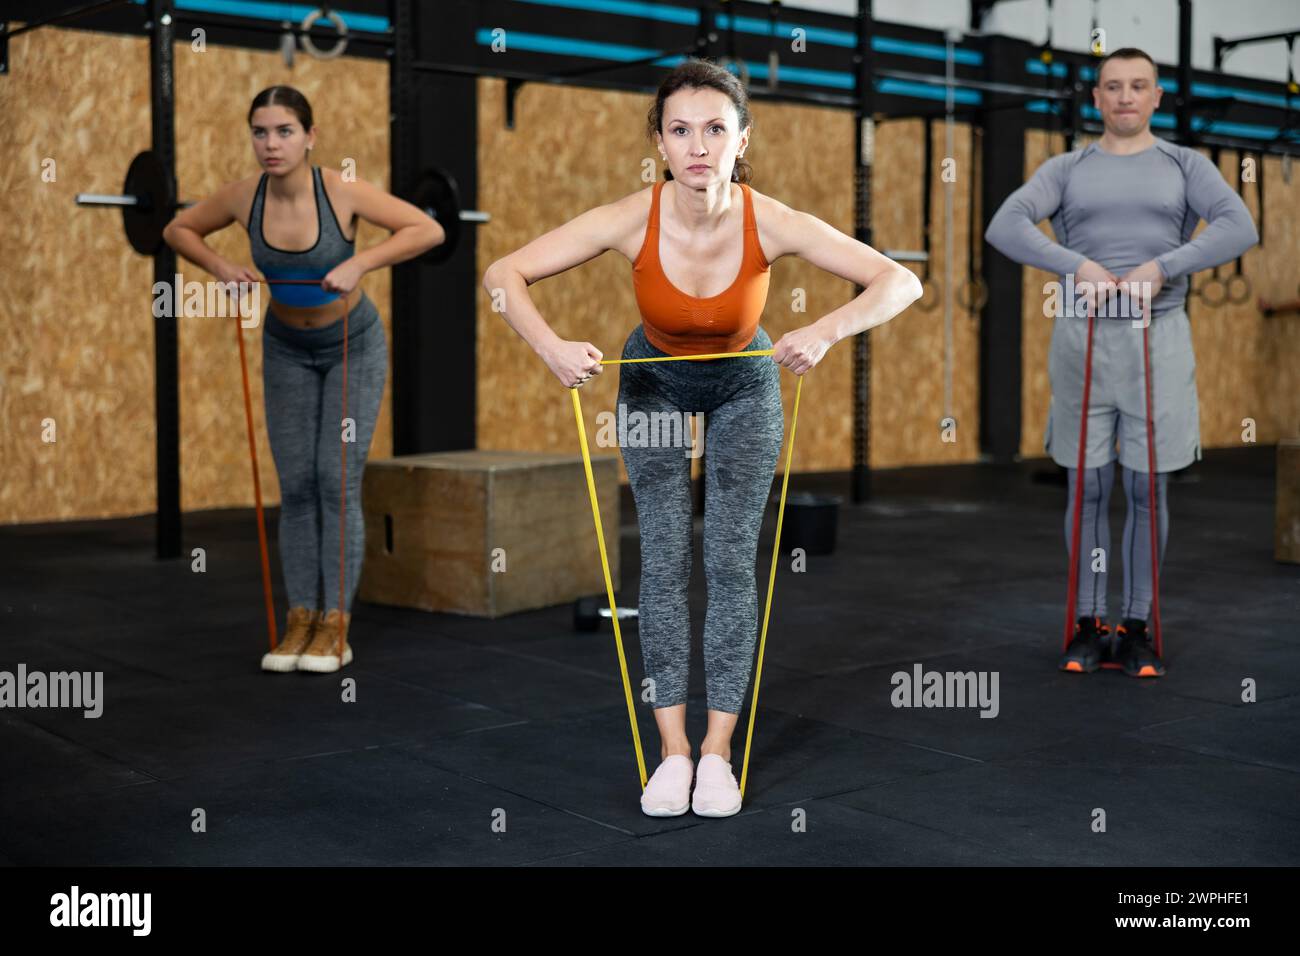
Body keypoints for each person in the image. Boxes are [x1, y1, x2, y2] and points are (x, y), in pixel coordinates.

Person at [483, 58, 921, 817]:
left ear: (741, 138)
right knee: (662, 560)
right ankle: (673, 752)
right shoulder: (631, 216)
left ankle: (717, 750)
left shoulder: (771, 219)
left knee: (728, 564)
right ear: (658, 141)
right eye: (680, 130)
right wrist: (550, 346)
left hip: (743, 386)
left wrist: (824, 328)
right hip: (651, 382)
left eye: (715, 129)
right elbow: (503, 272)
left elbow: (899, 282)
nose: (697, 146)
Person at [985, 48, 1257, 677]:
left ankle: (1135, 625)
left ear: (1156, 97)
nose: (1126, 96)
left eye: (1139, 86)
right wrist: (1074, 263)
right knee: (1089, 485)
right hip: (1083, 337)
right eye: (1113, 86)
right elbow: (1007, 224)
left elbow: (1238, 226)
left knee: (1144, 486)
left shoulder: (1185, 165)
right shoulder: (1068, 167)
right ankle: (1087, 623)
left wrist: (1164, 265)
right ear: (1097, 99)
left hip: (1157, 338)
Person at [162, 85, 442, 674]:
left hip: (352, 345)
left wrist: (360, 261)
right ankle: (300, 619)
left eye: (284, 131)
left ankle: (335, 625)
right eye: (260, 132)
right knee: (297, 485)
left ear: (310, 137)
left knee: (334, 480)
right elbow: (178, 230)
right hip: (286, 347)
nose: (271, 144)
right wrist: (220, 265)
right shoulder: (244, 198)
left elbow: (427, 230)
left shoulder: (340, 192)